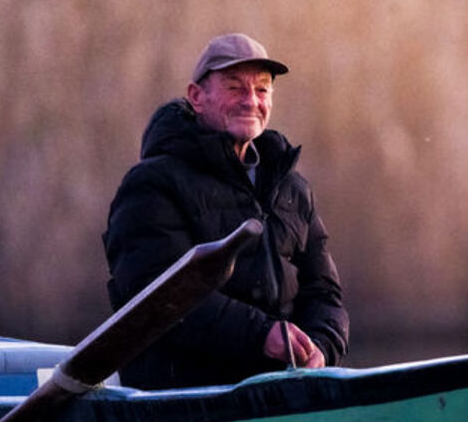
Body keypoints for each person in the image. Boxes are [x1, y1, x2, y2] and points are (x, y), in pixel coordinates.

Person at [103, 33, 348, 389]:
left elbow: (325, 293)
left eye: (262, 90)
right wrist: (262, 335)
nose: (251, 101)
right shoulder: (151, 185)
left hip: (284, 397)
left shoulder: (293, 188)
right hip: (184, 405)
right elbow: (157, 297)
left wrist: (320, 348)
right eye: (235, 88)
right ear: (196, 97)